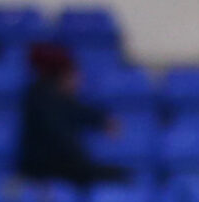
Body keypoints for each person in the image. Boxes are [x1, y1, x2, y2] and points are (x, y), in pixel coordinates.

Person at [15, 43, 124, 188]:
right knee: (117, 176)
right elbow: (62, 139)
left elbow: (79, 111)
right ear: (63, 76)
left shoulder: (49, 97)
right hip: (45, 170)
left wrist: (102, 120)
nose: (79, 82)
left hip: (59, 167)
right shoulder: (46, 99)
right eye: (74, 76)